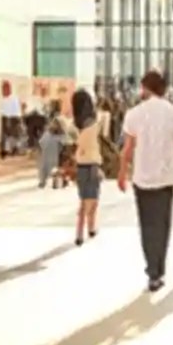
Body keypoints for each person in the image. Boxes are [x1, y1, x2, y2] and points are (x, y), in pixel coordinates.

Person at [118, 70, 173, 293]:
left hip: (142, 178)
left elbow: (127, 150)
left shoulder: (133, 114)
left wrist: (122, 173)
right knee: (162, 226)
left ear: (146, 88)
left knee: (147, 226)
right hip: (166, 178)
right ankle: (158, 269)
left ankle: (152, 271)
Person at [72, 89, 102, 246]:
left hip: (80, 164)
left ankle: (81, 232)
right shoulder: (95, 124)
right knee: (94, 199)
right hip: (93, 164)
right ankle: (90, 228)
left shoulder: (75, 125)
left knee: (84, 200)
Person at [1, 80, 22, 159]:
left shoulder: (13, 98)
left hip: (12, 117)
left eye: (5, 88)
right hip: (6, 116)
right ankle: (8, 149)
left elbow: (15, 110)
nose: (3, 90)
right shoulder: (4, 98)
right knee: (7, 134)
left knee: (12, 134)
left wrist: (11, 119)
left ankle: (13, 148)